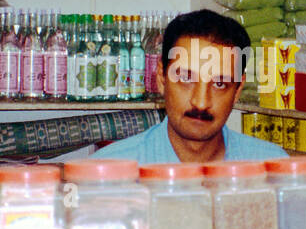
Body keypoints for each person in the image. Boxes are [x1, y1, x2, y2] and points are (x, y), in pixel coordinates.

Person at [94, 9, 288, 164]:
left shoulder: (270, 169)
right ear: (162, 78)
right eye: (186, 79)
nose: (201, 102)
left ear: (237, 90)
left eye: (219, 84)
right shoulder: (109, 172)